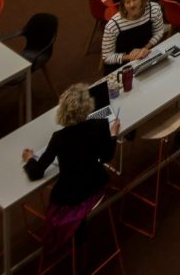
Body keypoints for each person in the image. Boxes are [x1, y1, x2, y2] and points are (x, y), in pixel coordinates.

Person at [22, 82, 118, 262]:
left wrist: (29, 158)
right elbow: (106, 156)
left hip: (71, 200)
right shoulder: (99, 126)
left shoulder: (59, 138)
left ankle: (77, 237)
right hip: (97, 186)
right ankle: (80, 237)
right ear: (88, 106)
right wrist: (113, 134)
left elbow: (37, 172)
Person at [100, 0, 168, 72]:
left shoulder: (154, 9)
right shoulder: (113, 25)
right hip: (122, 65)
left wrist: (145, 48)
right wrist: (130, 57)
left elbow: (159, 31)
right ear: (123, 4)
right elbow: (107, 57)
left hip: (145, 56)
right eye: (128, 2)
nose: (132, 5)